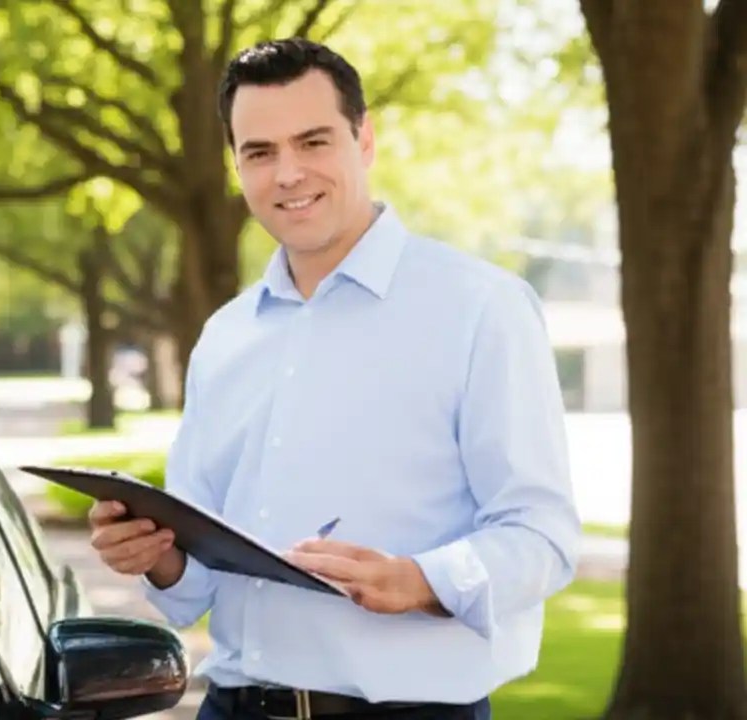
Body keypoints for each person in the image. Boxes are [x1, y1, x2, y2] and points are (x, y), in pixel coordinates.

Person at [87, 38, 581, 720]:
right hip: (232, 707)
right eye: (259, 152)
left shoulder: (481, 309)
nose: (287, 173)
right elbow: (194, 575)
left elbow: (543, 536)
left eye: (312, 141)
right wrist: (153, 554)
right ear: (237, 165)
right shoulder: (226, 336)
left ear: (365, 138)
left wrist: (418, 580)